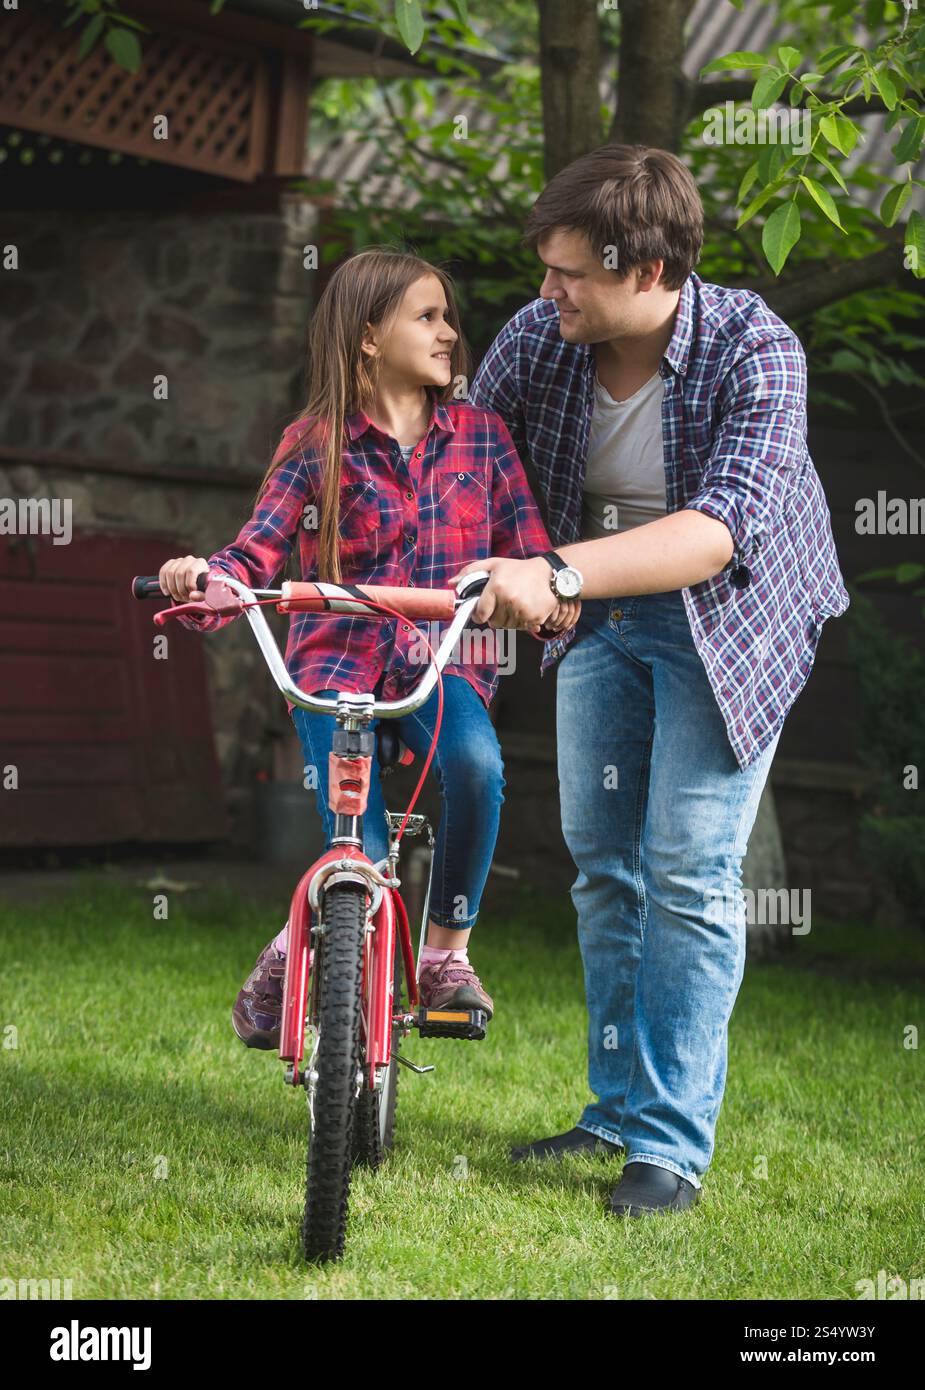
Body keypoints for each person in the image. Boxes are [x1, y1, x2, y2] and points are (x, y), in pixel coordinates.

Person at [452, 144, 849, 1218]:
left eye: (570, 272)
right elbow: (468, 467)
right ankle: (618, 1110)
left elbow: (719, 534)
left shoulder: (755, 348)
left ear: (650, 271)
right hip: (598, 617)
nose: (546, 292)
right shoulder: (540, 340)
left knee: (687, 867)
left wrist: (560, 568)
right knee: (603, 863)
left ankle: (668, 1150)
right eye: (545, 268)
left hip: (731, 618)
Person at [159, 249, 573, 1050]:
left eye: (448, 316)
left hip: (441, 663)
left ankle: (447, 953)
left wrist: (549, 601)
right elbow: (253, 557)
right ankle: (305, 945)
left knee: (476, 768)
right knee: (363, 853)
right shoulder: (315, 442)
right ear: (367, 338)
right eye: (427, 316)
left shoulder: (482, 439)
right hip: (333, 667)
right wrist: (201, 578)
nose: (450, 332)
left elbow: (531, 556)